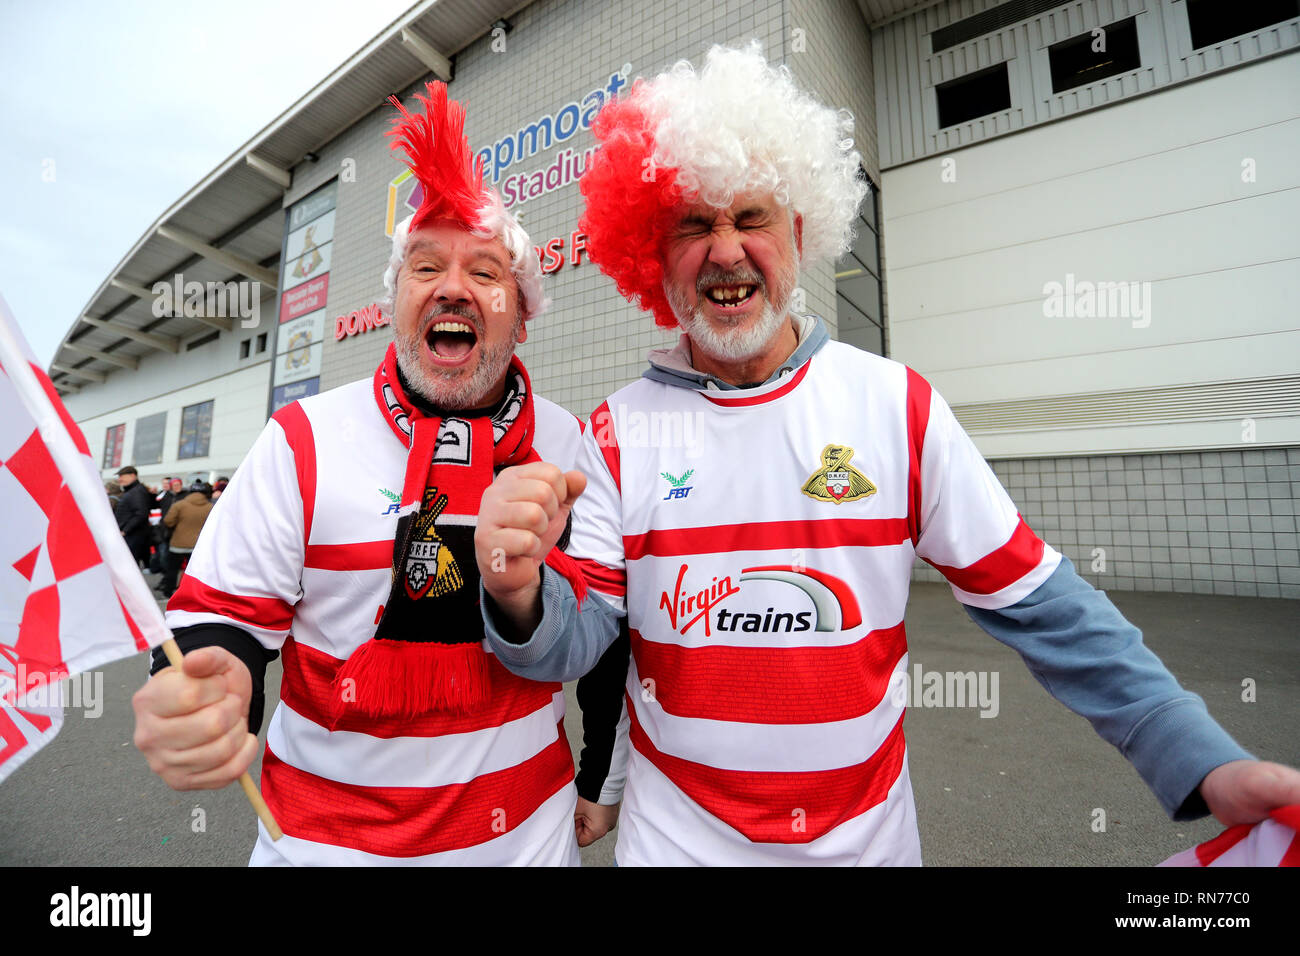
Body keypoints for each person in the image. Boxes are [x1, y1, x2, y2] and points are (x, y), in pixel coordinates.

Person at [475, 43, 1300, 865]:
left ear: (798, 233)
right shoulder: (619, 431)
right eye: (694, 225)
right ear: (656, 260)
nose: (725, 251)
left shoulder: (894, 405)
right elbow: (580, 641)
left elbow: (1045, 606)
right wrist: (519, 594)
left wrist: (1200, 755)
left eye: (750, 216)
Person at [132, 82, 623, 865]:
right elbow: (217, 625)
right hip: (324, 850)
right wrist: (213, 683)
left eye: (487, 273)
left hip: (526, 844)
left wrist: (600, 771)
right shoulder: (303, 437)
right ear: (396, 301)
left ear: (521, 314)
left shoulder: (571, 441)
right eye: (425, 266)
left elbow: (601, 641)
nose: (453, 287)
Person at [158, 480, 214, 598]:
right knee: (194, 572)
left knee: (172, 569)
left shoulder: (179, 505)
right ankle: (191, 593)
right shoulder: (210, 507)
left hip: (178, 543)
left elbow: (168, 521)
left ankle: (168, 591)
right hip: (198, 545)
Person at [113, 465, 154, 569]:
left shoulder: (136, 492)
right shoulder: (133, 490)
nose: (119, 479)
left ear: (132, 475)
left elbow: (141, 514)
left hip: (133, 536)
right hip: (131, 535)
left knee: (129, 566)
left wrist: (125, 530)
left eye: (122, 476)